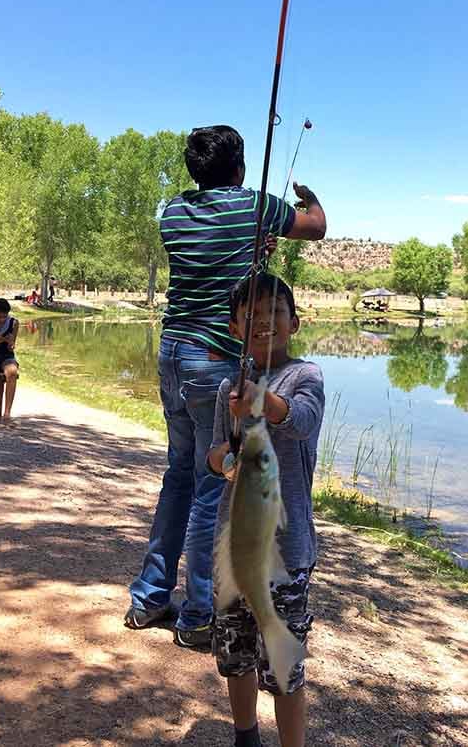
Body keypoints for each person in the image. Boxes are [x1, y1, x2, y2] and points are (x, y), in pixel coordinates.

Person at [125, 125, 326, 649]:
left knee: (179, 477)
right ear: (239, 168)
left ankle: (148, 599)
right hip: (216, 362)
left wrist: (251, 250)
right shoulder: (253, 206)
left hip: (172, 354)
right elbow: (315, 227)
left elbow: (216, 251)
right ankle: (196, 615)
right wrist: (308, 199)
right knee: (213, 488)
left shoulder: (172, 212)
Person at [208, 273, 325, 747]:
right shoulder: (227, 389)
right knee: (235, 653)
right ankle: (245, 737)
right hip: (234, 545)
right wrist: (225, 460)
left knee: (283, 668)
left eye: (274, 312)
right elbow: (216, 454)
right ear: (235, 328)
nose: (263, 322)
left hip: (287, 550)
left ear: (294, 323)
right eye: (250, 315)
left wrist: (259, 401)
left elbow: (299, 420)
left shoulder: (307, 376)